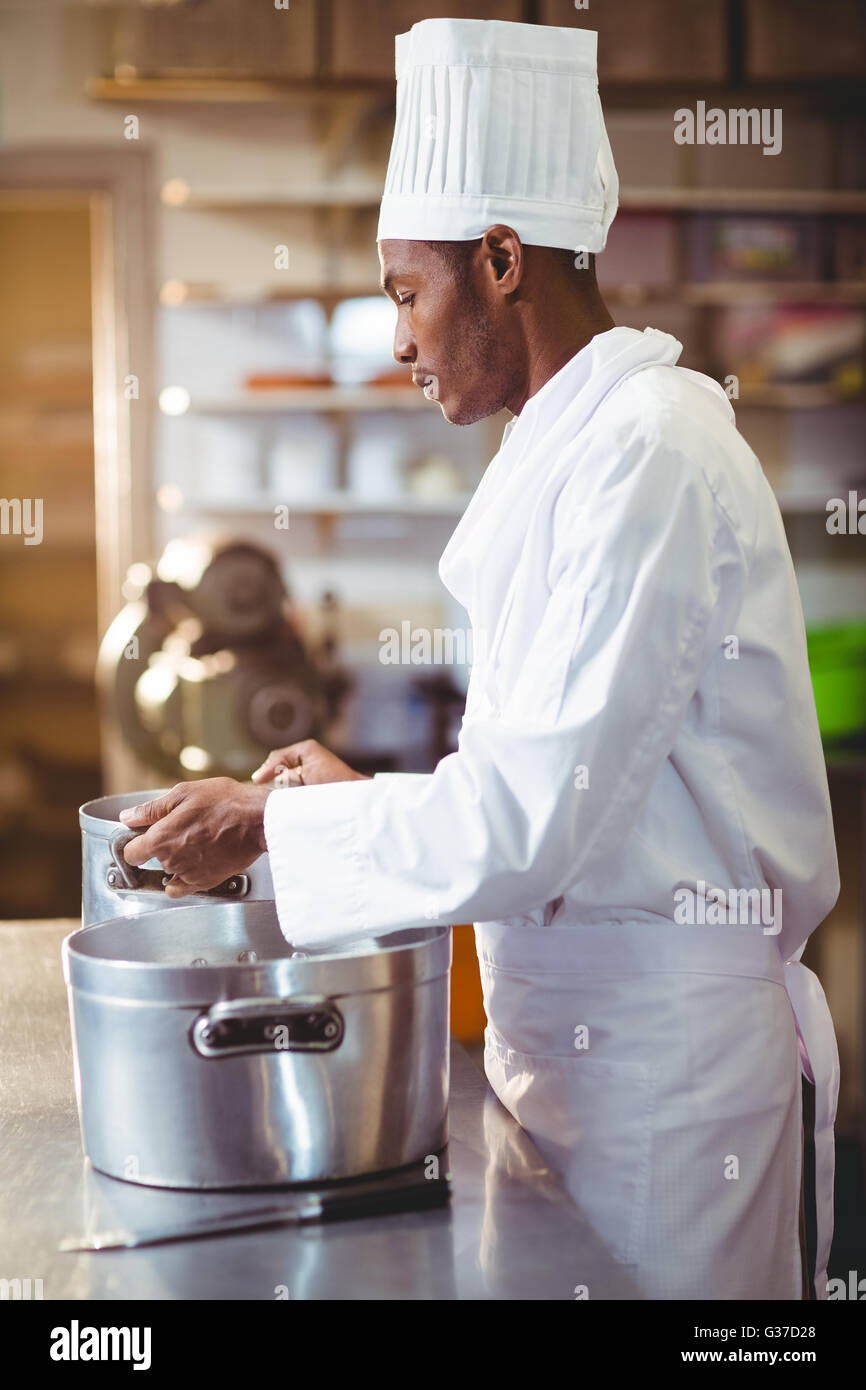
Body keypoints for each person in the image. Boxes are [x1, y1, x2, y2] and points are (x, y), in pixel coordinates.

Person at [120, 18, 840, 1300]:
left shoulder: (651, 450)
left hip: (664, 1090)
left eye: (407, 291)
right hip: (572, 1052)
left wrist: (276, 830)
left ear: (501, 259)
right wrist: (351, 806)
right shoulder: (560, 449)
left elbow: (527, 822)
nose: (396, 339)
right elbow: (536, 781)